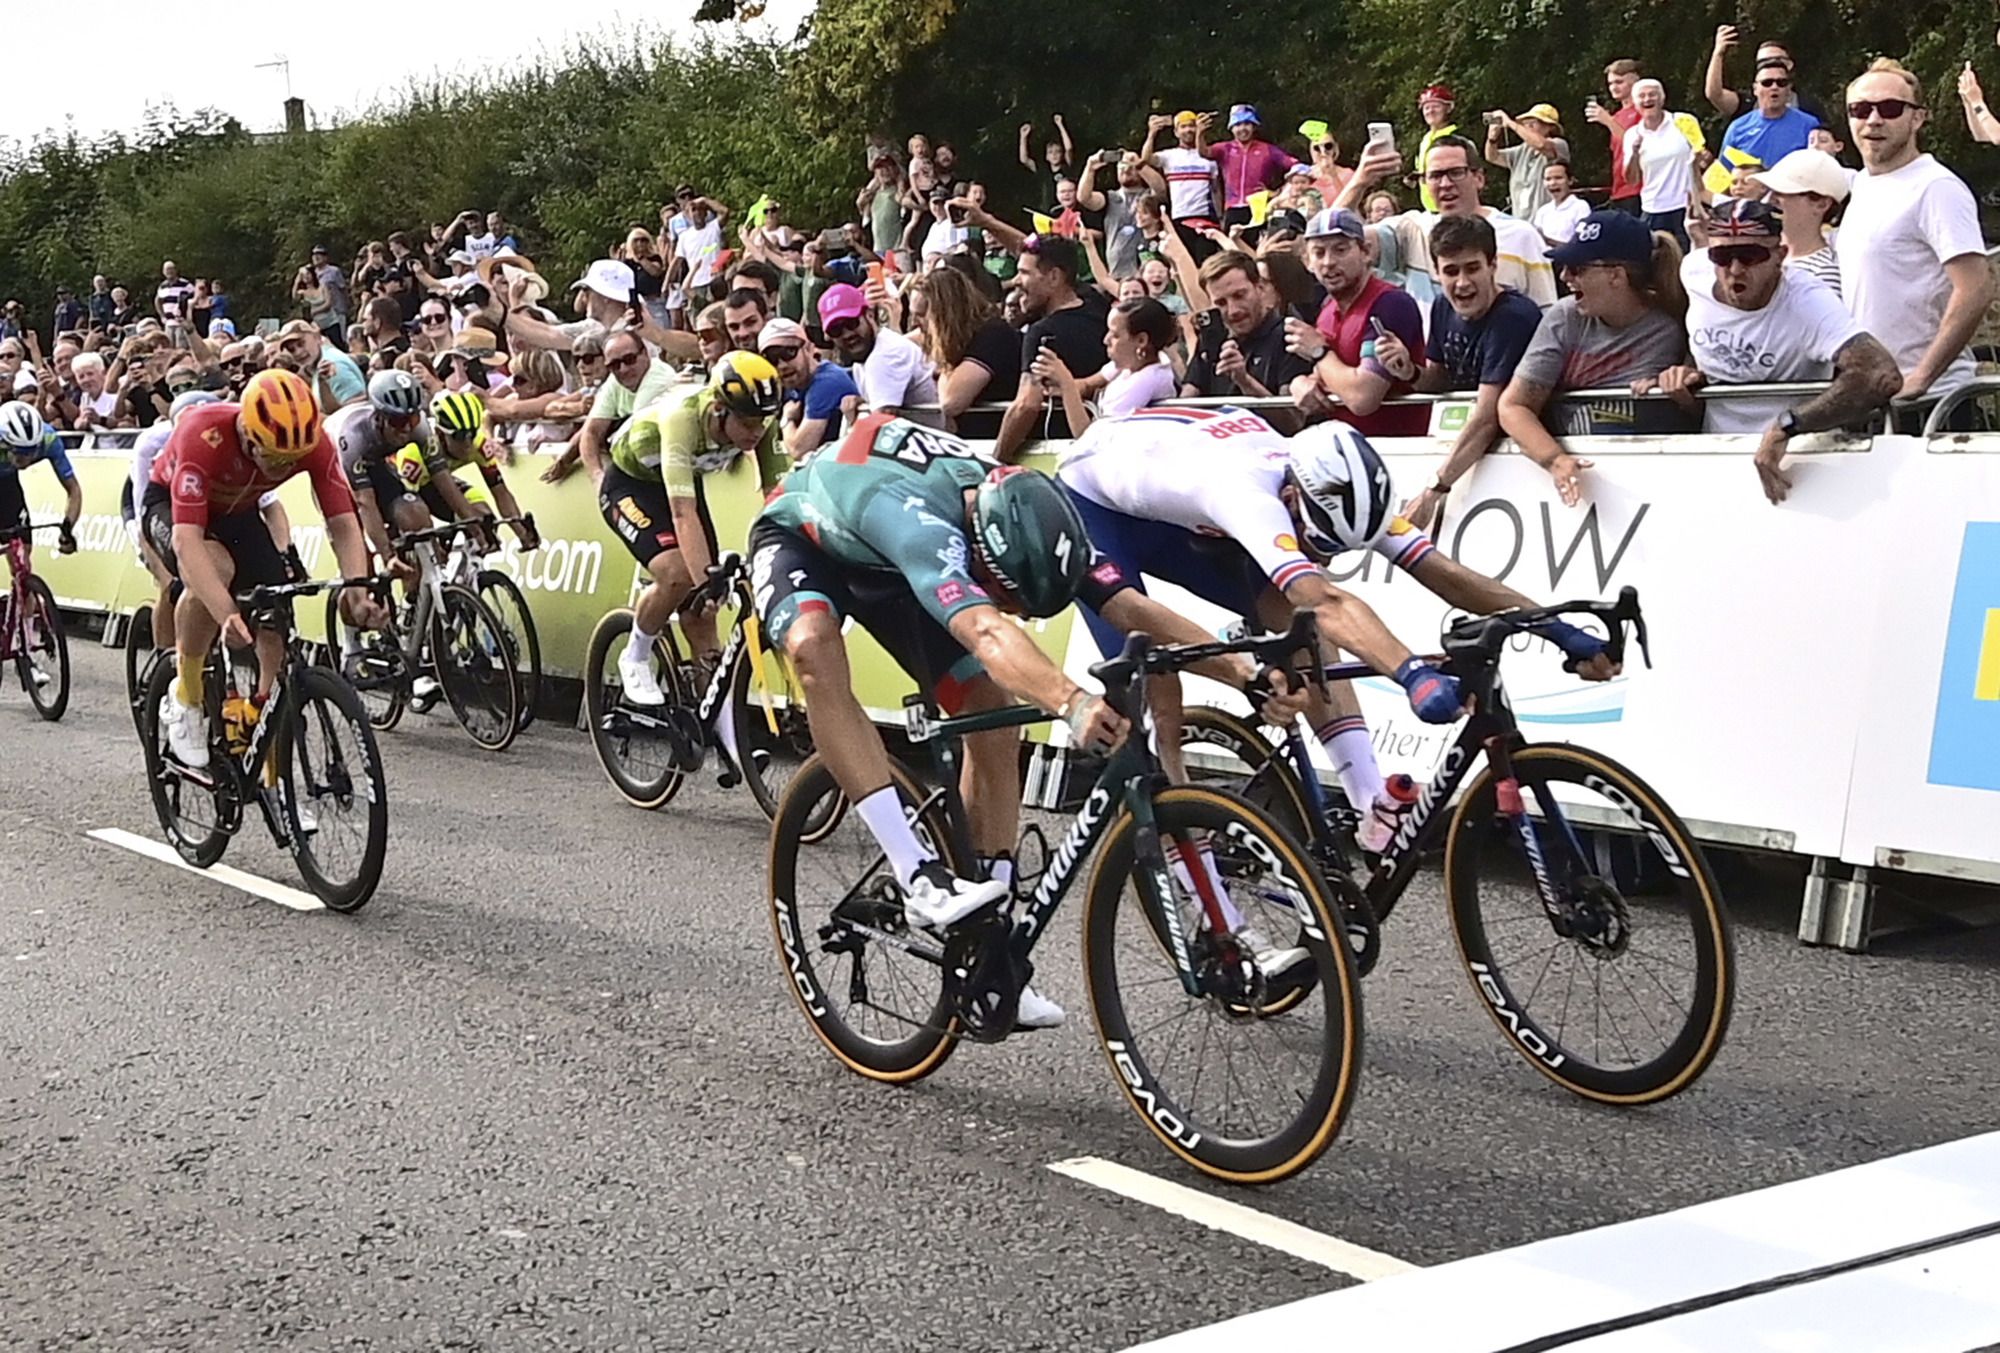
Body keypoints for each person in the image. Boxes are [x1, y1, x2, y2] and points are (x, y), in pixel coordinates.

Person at [750, 413, 1305, 1023]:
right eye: (1012, 597)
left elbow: (1129, 607)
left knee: (991, 710)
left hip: (895, 558)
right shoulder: (921, 528)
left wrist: (1247, 673)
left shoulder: (1034, 512)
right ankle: (917, 875)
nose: (1017, 613)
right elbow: (987, 628)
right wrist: (1072, 701)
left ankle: (989, 939)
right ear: (985, 566)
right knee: (813, 648)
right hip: (806, 538)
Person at [1055, 410, 1617, 852]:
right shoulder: (1246, 493)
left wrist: (1559, 629)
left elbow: (1444, 573)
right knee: (1158, 671)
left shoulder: (1337, 487)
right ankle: (1186, 861)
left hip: (1178, 505)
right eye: (1318, 541)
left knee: (1304, 633)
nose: (1323, 554)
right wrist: (1412, 674)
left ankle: (1373, 806)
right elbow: (1325, 599)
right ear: (1293, 498)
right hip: (1095, 500)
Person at [149, 370, 387, 767]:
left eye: (291, 461)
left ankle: (265, 736)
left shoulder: (312, 441)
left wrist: (357, 591)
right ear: (246, 431)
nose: (282, 468)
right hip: (173, 509)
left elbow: (344, 523)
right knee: (216, 571)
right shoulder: (203, 432)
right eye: (274, 457)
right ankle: (186, 696)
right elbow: (186, 542)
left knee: (274, 612)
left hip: (241, 514)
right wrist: (225, 614)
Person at [1653, 199, 1901, 504]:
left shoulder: (1808, 302)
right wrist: (1685, 371)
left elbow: (1880, 373)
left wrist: (1789, 425)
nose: (1734, 269)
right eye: (1721, 255)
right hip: (1717, 454)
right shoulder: (1693, 272)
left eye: (1750, 256)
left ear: (1779, 256)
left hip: (1798, 462)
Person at [600, 354, 786, 704]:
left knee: (703, 615)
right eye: (747, 423)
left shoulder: (760, 421)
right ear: (719, 408)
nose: (756, 432)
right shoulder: (682, 419)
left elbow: (776, 499)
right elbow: (682, 514)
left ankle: (720, 729)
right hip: (631, 485)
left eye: (763, 421)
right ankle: (636, 654)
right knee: (678, 574)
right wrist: (706, 583)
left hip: (683, 483)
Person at [1498, 211, 1690, 506]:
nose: (1564, 277)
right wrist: (1555, 460)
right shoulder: (1564, 316)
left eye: (1577, 268)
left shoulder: (1668, 331)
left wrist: (1678, 389)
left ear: (1617, 275)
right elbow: (1513, 406)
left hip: (1642, 483)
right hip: (1568, 478)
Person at [1839, 58, 1993, 416]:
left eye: (1891, 109)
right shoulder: (1862, 184)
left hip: (1932, 404)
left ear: (1917, 118)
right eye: (1860, 109)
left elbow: (1976, 288)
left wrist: (1922, 377)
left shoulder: (1935, 187)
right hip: (1871, 397)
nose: (1874, 119)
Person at [1371, 216, 1545, 530]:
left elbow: (1487, 418)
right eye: (1451, 271)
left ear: (1493, 265)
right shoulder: (1441, 308)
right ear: (1436, 273)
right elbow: (1440, 379)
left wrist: (1433, 491)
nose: (1462, 282)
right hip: (1466, 457)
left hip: (1517, 459)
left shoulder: (1514, 317)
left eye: (1472, 268)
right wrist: (1409, 371)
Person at [1338, 136, 1557, 308]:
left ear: (1479, 178)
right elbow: (1332, 236)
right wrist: (1360, 180)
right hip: (1427, 365)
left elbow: (1547, 321)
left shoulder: (1521, 235)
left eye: (1455, 173)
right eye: (1435, 175)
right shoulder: (1412, 230)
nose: (1445, 184)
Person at [1283, 206, 1428, 438]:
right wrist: (1300, 383)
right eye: (1319, 253)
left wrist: (1319, 351)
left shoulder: (1390, 303)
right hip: (1346, 451)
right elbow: (1327, 375)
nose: (1329, 262)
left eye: (1340, 250)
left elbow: (1363, 398)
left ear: (1366, 252)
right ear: (1307, 262)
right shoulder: (1327, 309)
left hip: (1397, 453)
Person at [994, 236, 1107, 458]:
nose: (1016, 281)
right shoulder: (1096, 303)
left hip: (1058, 456)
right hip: (1102, 446)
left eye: (1025, 273)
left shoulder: (1041, 334)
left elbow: (1026, 405)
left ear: (1054, 277)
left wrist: (993, 462)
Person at [1179, 251, 1313, 417]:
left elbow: (1293, 421)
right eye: (1221, 303)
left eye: (1239, 296)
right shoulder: (1212, 337)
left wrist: (1244, 381)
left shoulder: (1291, 336)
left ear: (1260, 288)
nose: (1233, 310)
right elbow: (1185, 404)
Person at [1030, 296, 1179, 435]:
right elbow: (1087, 385)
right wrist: (1054, 385)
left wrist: (1066, 383)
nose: (1105, 340)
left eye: (1115, 335)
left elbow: (1088, 438)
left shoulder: (1147, 380)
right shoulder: (1127, 364)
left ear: (1141, 340)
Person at [818, 283, 940, 425]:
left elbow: (880, 424)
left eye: (851, 323)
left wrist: (852, 422)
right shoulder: (865, 356)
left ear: (869, 315)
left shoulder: (884, 355)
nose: (847, 334)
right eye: (836, 330)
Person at [914, 266, 1019, 428]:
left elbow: (951, 402)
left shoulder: (993, 334)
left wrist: (943, 365)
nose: (916, 323)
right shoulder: (964, 336)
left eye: (922, 315)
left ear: (942, 312)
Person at [1746, 148, 1851, 295]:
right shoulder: (1757, 256)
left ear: (1821, 204)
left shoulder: (1822, 275)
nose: (1769, 200)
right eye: (1769, 191)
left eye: (1782, 192)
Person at [1620, 80, 1706, 248]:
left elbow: (1703, 156)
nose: (1647, 99)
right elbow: (1632, 180)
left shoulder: (1682, 121)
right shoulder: (1631, 135)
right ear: (1635, 103)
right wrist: (1635, 153)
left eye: (1652, 94)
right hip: (1653, 208)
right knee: (1657, 262)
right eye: (1642, 96)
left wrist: (1701, 158)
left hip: (1686, 205)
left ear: (1662, 98)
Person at [761, 317, 858, 458]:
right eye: (771, 359)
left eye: (788, 353)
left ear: (809, 348)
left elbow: (799, 450)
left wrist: (787, 420)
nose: (781, 365)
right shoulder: (791, 382)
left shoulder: (827, 382)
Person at [0, 401, 82, 561]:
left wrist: (67, 528)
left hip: (7, 481)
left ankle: (21, 582)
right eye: (18, 453)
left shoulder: (49, 440)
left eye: (31, 452)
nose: (25, 459)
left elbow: (73, 489)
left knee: (23, 549)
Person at [1204, 104, 1299, 229]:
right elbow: (1204, 152)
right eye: (1238, 125)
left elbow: (1297, 166)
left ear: (1254, 127)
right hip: (1233, 208)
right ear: (1231, 128)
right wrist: (1200, 133)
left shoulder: (1267, 149)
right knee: (1233, 246)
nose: (1242, 129)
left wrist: (1279, 193)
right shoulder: (1225, 148)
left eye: (1247, 124)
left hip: (1258, 207)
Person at [1721, 59, 1820, 170]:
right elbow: (1723, 173)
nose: (1774, 87)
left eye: (1781, 83)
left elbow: (1821, 167)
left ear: (1789, 89)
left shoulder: (1809, 125)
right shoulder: (1737, 128)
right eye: (1767, 83)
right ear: (1755, 89)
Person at [1141, 111, 1222, 243]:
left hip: (1205, 216)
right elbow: (1146, 158)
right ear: (1176, 132)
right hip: (1179, 216)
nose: (1188, 130)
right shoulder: (1169, 156)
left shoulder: (1208, 157)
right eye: (1183, 127)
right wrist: (1151, 134)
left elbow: (1216, 189)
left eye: (1192, 126)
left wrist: (1220, 217)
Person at [1483, 103, 1571, 223]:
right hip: (1521, 222)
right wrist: (1492, 138)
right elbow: (1492, 156)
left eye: (1532, 123)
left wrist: (1510, 123)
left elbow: (1541, 144)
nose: (1527, 126)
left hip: (1548, 223)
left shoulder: (1559, 145)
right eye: (1525, 123)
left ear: (1549, 127)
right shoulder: (1522, 150)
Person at [1587, 59, 1646, 215]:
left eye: (1619, 82)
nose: (1613, 87)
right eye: (1610, 83)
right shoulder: (1618, 115)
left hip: (1639, 189)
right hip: (1619, 190)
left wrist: (1607, 120)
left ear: (1635, 80)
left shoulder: (1644, 111)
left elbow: (1636, 144)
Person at [1413, 85, 1461, 213]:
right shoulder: (1425, 139)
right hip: (1430, 208)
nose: (1430, 111)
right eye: (1426, 107)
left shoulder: (1457, 135)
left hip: (1453, 206)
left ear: (1448, 109)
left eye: (1436, 106)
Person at [1531, 162, 1592, 252]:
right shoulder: (1542, 211)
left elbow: (1581, 245)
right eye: (1548, 179)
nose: (1553, 183)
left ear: (1570, 181)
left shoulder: (1580, 207)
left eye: (1558, 178)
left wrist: (1547, 240)